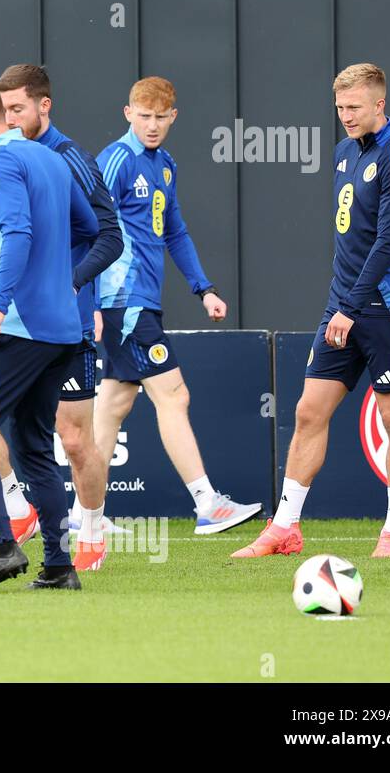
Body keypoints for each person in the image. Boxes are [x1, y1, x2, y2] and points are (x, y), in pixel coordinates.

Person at [0, 64, 123, 571]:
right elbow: (80, 225)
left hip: (19, 325)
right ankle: (59, 568)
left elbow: (17, 233)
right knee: (36, 448)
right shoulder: (49, 161)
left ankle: (0, 548)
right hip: (61, 330)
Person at [234, 63, 390, 559]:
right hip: (343, 305)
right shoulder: (343, 152)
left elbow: (385, 242)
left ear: (380, 104)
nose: (345, 116)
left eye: (355, 107)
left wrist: (353, 307)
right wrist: (341, 304)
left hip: (387, 307)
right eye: (339, 107)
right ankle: (284, 529)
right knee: (307, 411)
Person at [93, 76, 261, 535]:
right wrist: (90, 299)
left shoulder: (164, 164)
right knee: (174, 394)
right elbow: (89, 227)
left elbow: (176, 232)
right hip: (123, 302)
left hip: (138, 301)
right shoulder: (116, 160)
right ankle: (207, 503)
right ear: (127, 113)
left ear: (173, 117)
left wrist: (204, 289)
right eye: (143, 116)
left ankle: (84, 516)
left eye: (159, 117)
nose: (151, 125)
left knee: (112, 405)